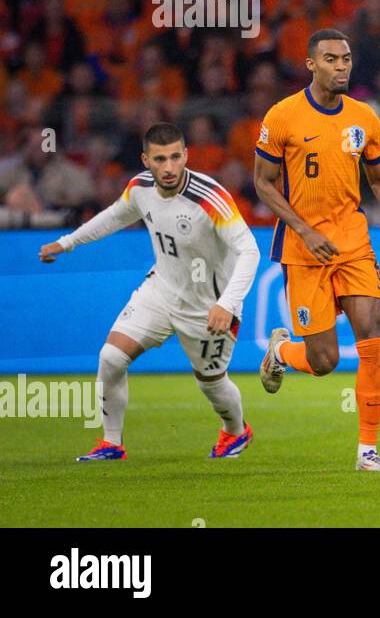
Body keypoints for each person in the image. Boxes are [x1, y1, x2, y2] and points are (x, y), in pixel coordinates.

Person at [39, 123, 260, 460]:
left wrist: (227, 303)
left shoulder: (209, 197)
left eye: (175, 157)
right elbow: (114, 217)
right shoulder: (139, 188)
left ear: (186, 155)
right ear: (146, 160)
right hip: (160, 289)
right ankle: (112, 443)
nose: (169, 167)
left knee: (211, 382)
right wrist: (67, 242)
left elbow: (250, 250)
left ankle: (236, 431)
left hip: (208, 304)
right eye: (160, 159)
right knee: (111, 358)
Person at [253, 28, 380, 471]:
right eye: (330, 59)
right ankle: (281, 352)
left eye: (345, 59)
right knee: (323, 360)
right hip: (305, 250)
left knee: (371, 331)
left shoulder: (364, 117)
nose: (341, 66)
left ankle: (368, 450)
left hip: (353, 242)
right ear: (311, 64)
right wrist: (304, 231)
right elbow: (263, 183)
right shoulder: (283, 117)